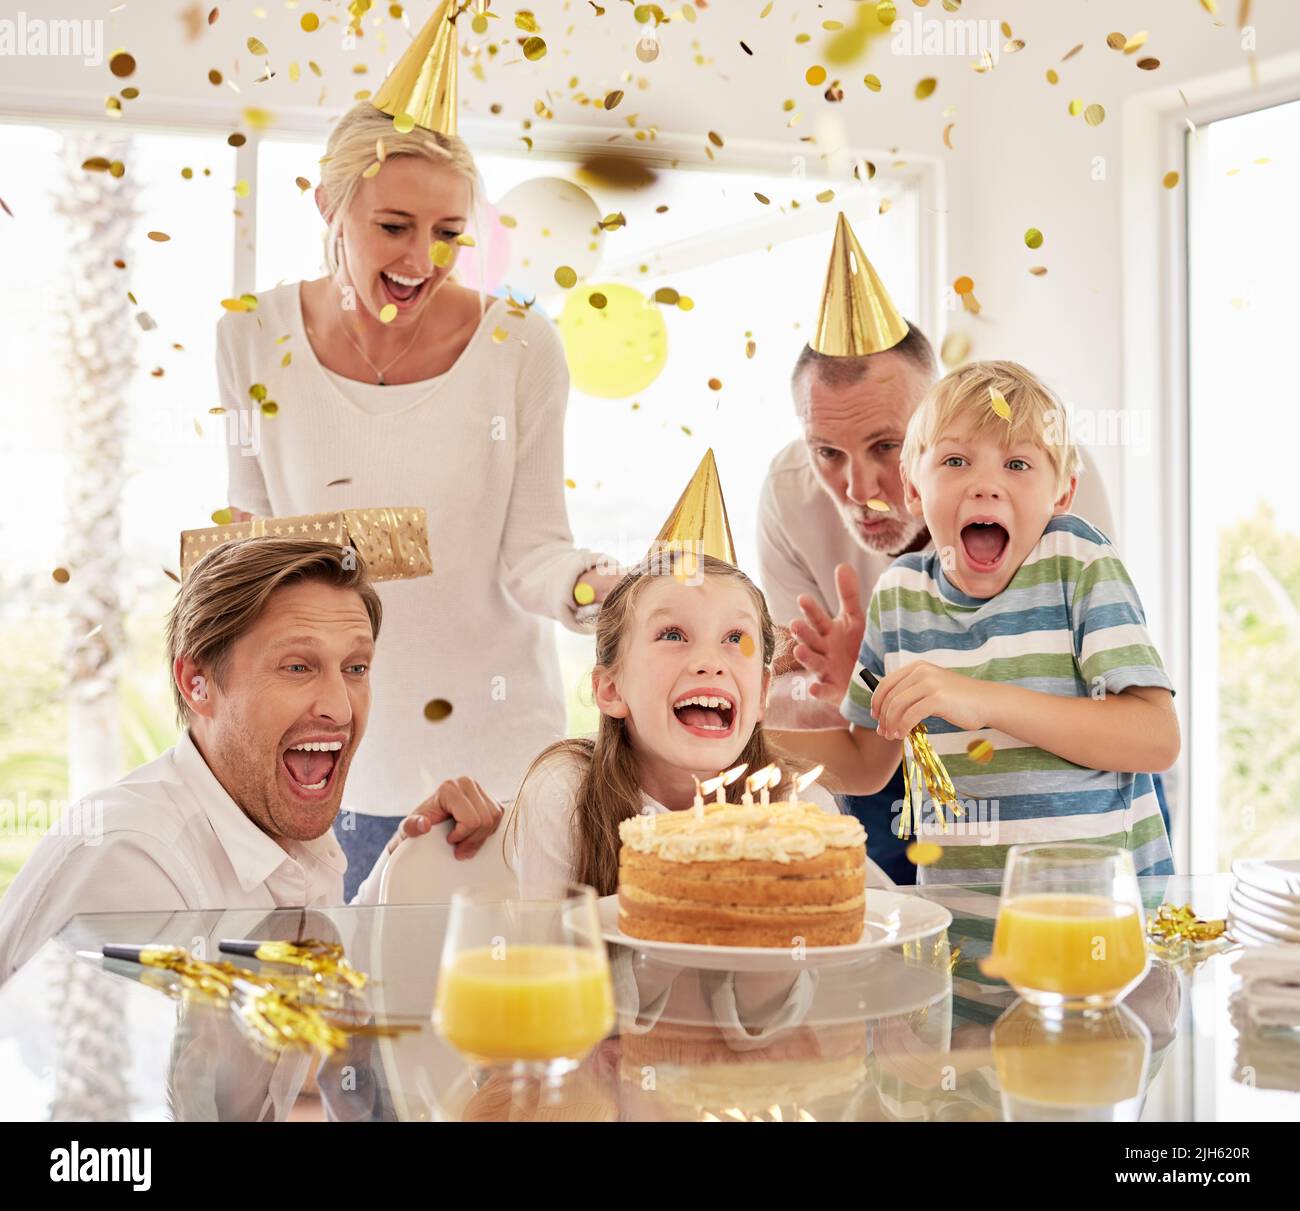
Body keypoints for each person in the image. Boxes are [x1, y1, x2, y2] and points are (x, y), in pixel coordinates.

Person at [218, 8, 617, 898]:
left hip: (495, 768)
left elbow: (534, 552)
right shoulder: (250, 339)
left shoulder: (521, 345)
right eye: (393, 226)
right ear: (328, 206)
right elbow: (247, 525)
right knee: (348, 1024)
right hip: (321, 756)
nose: (422, 259)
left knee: (502, 1018)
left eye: (447, 231)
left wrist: (598, 591)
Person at [758, 214, 1126, 883]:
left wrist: (917, 679)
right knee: (904, 956)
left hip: (1070, 785)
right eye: (828, 453)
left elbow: (1111, 707)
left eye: (886, 446)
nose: (861, 489)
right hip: (912, 786)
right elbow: (847, 734)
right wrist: (749, 718)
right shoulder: (790, 497)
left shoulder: (1043, 473)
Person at [0, 539, 501, 983]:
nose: (340, 707)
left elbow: (311, 1000)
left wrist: (407, 862)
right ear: (197, 683)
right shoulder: (133, 861)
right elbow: (165, 1083)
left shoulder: (275, 815)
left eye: (355, 667)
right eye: (298, 667)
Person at [771, 361, 1179, 883]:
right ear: (912, 487)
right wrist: (743, 741)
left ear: (1062, 494)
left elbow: (1156, 739)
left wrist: (980, 700)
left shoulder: (1078, 563)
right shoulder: (899, 595)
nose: (985, 486)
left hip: (1098, 921)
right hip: (959, 929)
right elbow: (866, 762)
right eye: (956, 461)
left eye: (1018, 465)